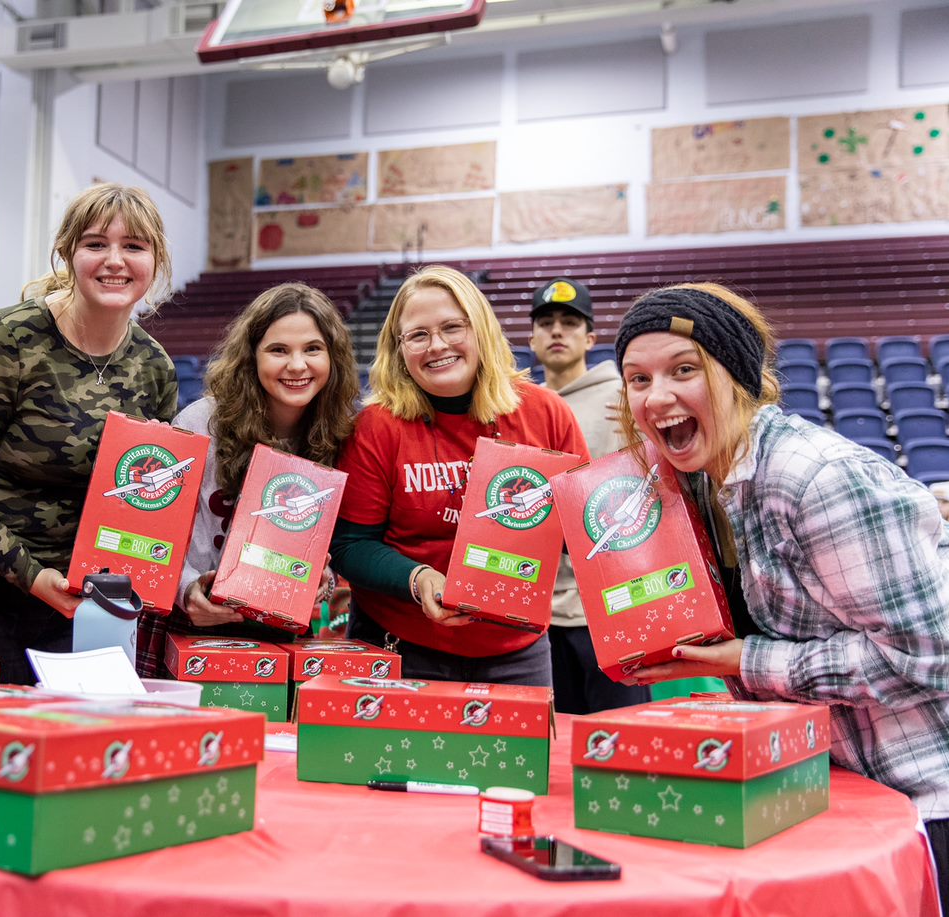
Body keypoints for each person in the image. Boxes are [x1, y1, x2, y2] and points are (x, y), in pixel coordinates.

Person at [616, 282, 949, 912]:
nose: (657, 396)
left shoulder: (814, 477)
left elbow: (928, 656)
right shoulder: (691, 485)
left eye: (684, 370)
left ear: (738, 377)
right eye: (637, 379)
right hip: (828, 788)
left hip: (921, 803)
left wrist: (740, 660)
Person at [0, 183, 178, 686]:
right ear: (69, 253)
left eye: (133, 246)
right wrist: (30, 575)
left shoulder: (153, 366)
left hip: (82, 608)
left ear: (155, 262)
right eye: (96, 244)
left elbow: (144, 499)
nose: (115, 260)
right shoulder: (6, 340)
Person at [331, 265, 588, 684]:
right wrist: (417, 578)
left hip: (516, 653)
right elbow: (351, 545)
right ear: (398, 349)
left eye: (453, 327)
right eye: (418, 335)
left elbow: (579, 533)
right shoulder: (377, 426)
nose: (437, 346)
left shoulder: (546, 412)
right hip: (399, 645)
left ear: (482, 330)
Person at [135, 283, 360, 675]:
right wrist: (187, 590)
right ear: (252, 356)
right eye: (278, 350)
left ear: (333, 357)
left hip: (278, 632)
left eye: (312, 349)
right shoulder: (201, 422)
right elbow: (153, 536)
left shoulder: (342, 436)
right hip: (187, 625)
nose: (297, 365)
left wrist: (318, 584)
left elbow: (335, 553)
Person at [528, 277, 651, 714]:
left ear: (590, 337)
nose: (557, 331)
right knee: (554, 747)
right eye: (546, 323)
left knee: (621, 734)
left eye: (569, 322)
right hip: (538, 608)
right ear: (532, 337)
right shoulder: (517, 404)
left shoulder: (623, 399)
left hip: (609, 606)